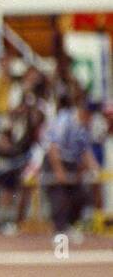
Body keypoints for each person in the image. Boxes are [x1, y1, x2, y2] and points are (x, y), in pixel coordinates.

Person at [43, 96, 101, 241]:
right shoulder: (65, 120)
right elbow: (53, 146)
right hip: (55, 161)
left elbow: (85, 151)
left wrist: (94, 169)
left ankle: (70, 226)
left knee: (81, 195)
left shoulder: (85, 127)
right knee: (59, 196)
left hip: (71, 163)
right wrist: (58, 170)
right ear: (83, 112)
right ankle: (59, 231)